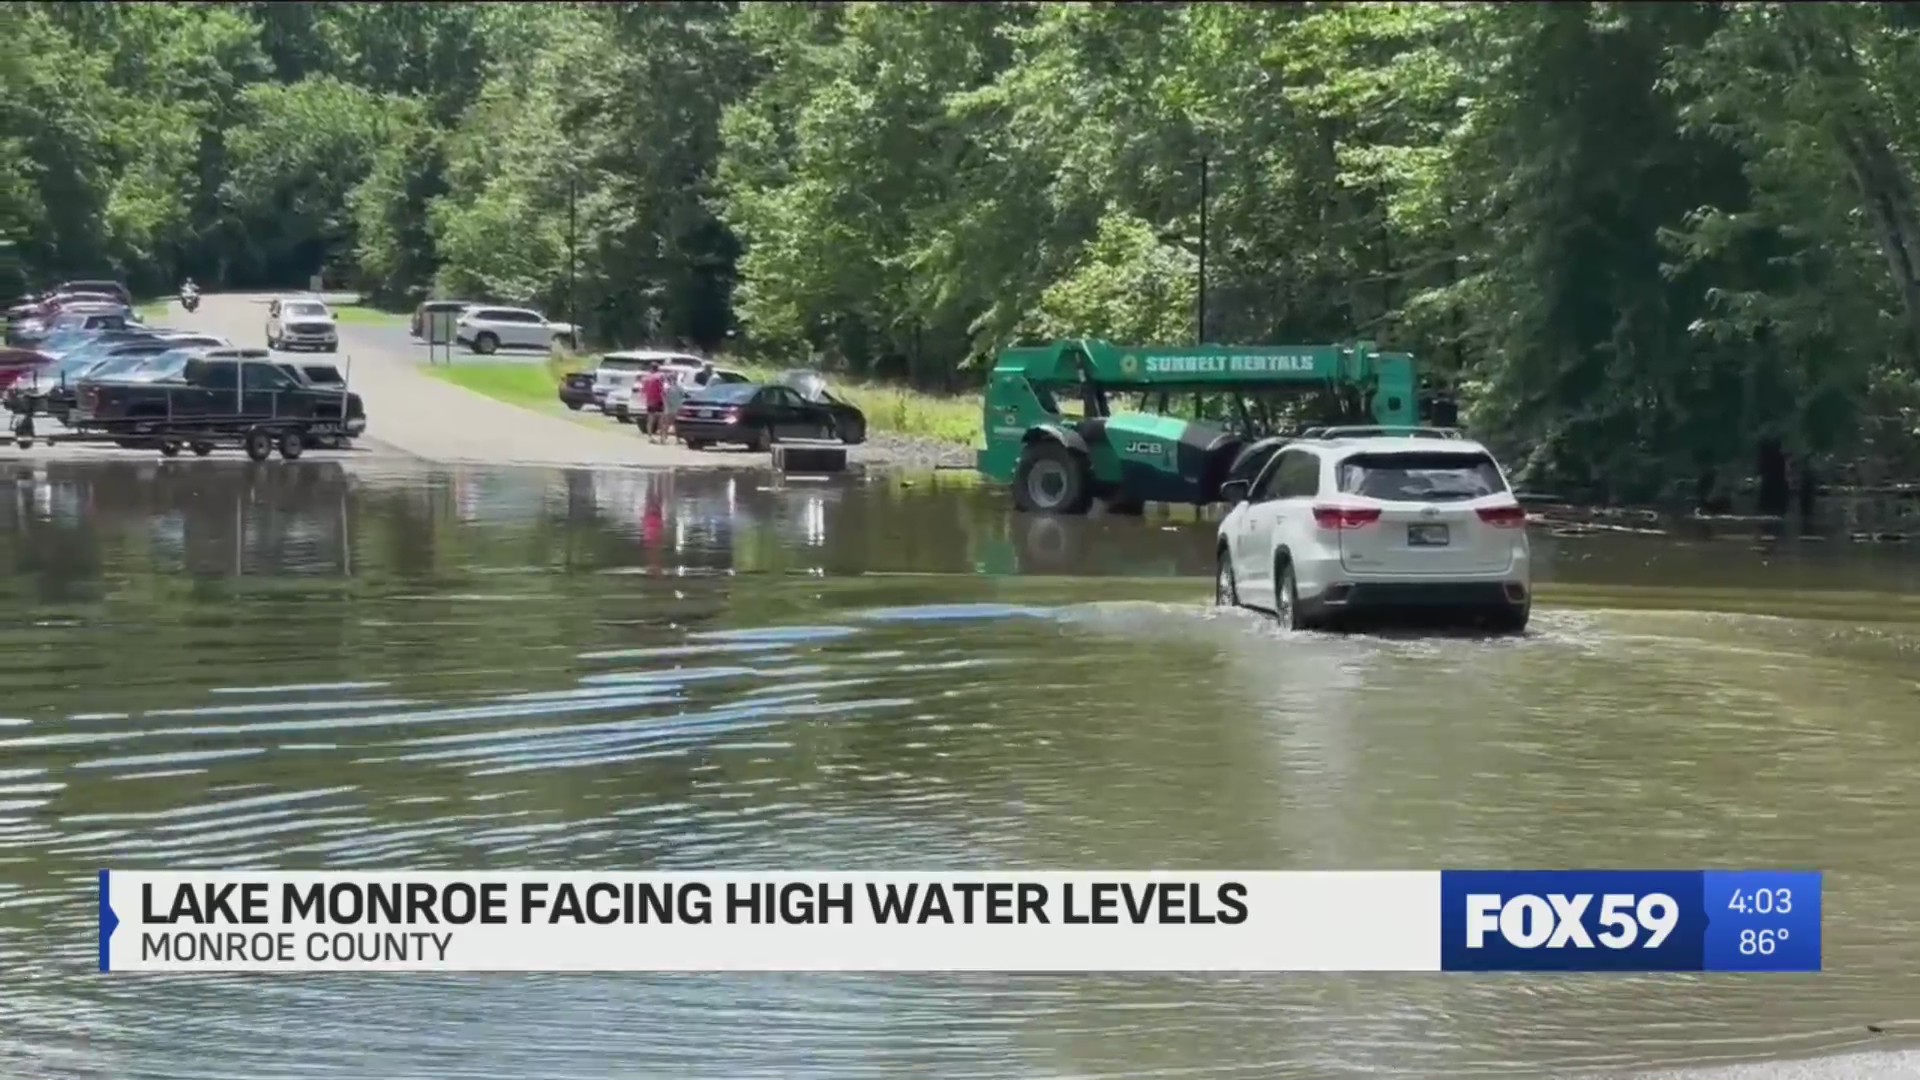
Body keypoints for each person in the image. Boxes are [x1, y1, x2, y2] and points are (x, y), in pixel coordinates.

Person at [639, 367, 667, 441]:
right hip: (659, 400)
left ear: (651, 369)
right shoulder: (660, 377)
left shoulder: (646, 378)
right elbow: (662, 389)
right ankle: (662, 437)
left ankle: (650, 436)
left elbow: (643, 390)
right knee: (661, 419)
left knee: (650, 419)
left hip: (650, 401)